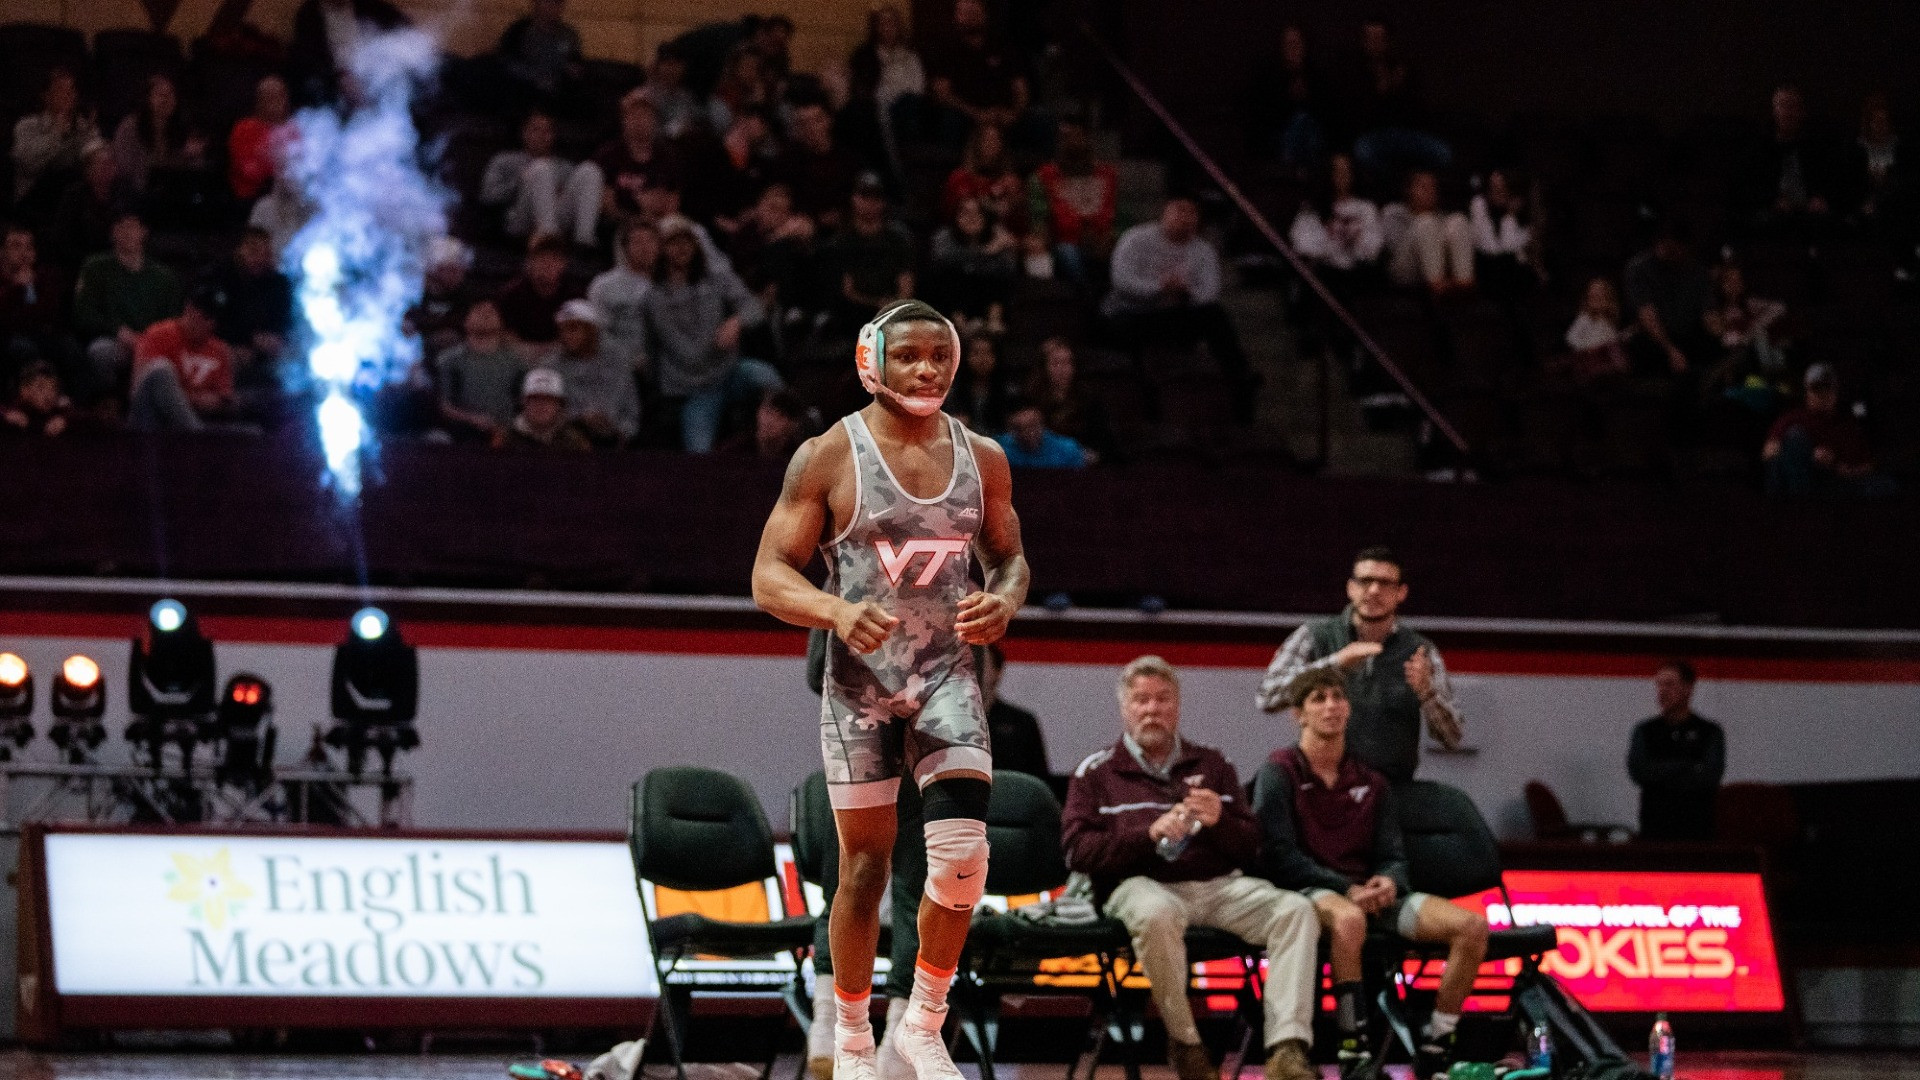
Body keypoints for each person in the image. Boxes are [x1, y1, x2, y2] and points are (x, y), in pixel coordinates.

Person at [751, 298, 1029, 1080]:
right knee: (866, 870)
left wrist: (1005, 598)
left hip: (945, 677)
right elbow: (768, 576)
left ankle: (925, 1023)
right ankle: (849, 1031)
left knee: (963, 858)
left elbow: (1011, 556)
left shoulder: (986, 457)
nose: (927, 368)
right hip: (862, 688)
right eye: (908, 355)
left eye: (940, 355)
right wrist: (836, 609)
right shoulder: (827, 455)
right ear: (871, 362)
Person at [1062, 655, 1319, 1080]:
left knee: (1296, 911)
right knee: (1156, 912)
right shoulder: (1097, 772)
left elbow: (1252, 847)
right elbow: (1077, 853)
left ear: (1177, 706)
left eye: (1163, 700)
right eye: (1141, 700)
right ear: (1124, 708)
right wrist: (1147, 835)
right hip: (1137, 886)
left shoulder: (1213, 765)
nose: (1152, 710)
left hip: (1215, 886)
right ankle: (1186, 1042)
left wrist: (1221, 822)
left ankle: (1286, 1050)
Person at [1254, 667, 1488, 1079]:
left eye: (1338, 697)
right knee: (1348, 919)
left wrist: (1389, 881)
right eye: (1318, 698)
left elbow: (1392, 854)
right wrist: (1346, 888)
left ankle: (1437, 1043)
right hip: (1310, 889)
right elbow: (1277, 856)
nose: (1331, 706)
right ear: (1299, 715)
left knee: (1471, 927)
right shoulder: (1279, 771)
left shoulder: (1372, 780)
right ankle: (1353, 1050)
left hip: (1371, 893)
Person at [1257, 546, 1464, 784]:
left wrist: (1427, 694)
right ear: (1351, 588)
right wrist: (1336, 663)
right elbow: (1267, 697)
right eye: (1365, 581)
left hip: (1390, 789)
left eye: (1385, 583)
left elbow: (1453, 738)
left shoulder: (1420, 651)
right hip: (1322, 787)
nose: (1374, 590)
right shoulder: (1315, 635)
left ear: (1401, 593)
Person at [1102, 195, 1256, 409]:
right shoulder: (1136, 239)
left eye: (1191, 212)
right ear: (1165, 211)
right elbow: (1121, 280)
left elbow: (1209, 293)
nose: (1185, 217)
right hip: (1132, 312)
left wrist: (1186, 291)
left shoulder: (1204, 251)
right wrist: (1159, 287)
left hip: (1174, 313)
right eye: (1180, 210)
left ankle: (1240, 378)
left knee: (1215, 315)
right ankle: (1140, 395)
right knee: (1121, 328)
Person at [642, 221, 778, 452]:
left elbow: (754, 308)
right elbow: (688, 356)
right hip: (693, 386)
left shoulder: (716, 279)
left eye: (686, 242)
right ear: (662, 250)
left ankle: (790, 433)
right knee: (699, 450)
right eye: (673, 243)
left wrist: (737, 322)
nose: (681, 249)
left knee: (765, 375)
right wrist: (719, 343)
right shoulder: (654, 298)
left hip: (730, 371)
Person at [73, 213, 184, 401]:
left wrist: (149, 340)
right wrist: (118, 331)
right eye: (120, 227)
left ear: (143, 232)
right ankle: (106, 403)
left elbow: (173, 319)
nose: (126, 233)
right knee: (100, 352)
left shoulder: (164, 277)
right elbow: (83, 313)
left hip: (154, 341)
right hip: (115, 340)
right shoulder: (95, 268)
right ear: (113, 233)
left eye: (132, 227)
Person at [1626, 660, 1727, 841]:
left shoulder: (1710, 732)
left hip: (1697, 830)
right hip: (1654, 828)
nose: (1662, 691)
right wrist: (1686, 766)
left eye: (1670, 684)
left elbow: (1710, 776)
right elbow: (1639, 772)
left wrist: (1660, 772)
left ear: (1688, 688)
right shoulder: (1645, 730)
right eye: (1660, 684)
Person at [1347, 18, 1450, 187]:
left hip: (1408, 134)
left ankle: (1414, 184)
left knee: (1443, 153)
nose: (1375, 44)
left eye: (1379, 39)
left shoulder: (1404, 69)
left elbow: (1421, 113)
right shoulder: (1355, 73)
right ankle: (1396, 185)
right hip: (1376, 136)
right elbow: (1357, 118)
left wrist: (1399, 89)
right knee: (1362, 151)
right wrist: (1379, 92)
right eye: (1370, 39)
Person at [482, 110, 602, 250]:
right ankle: (547, 241)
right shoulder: (504, 160)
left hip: (558, 218)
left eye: (547, 131)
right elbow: (488, 196)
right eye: (536, 130)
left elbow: (576, 196)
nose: (541, 136)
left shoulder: (565, 167)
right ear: (524, 133)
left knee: (590, 169)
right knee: (541, 167)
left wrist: (558, 193)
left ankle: (584, 239)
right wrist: (521, 182)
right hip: (520, 218)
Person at [1763, 363, 1888, 497]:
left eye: (1828, 389)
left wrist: (1835, 464)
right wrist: (1807, 453)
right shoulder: (1792, 419)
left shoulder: (1847, 425)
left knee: (1884, 485)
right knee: (1795, 437)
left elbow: (1867, 465)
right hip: (1800, 480)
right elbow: (1768, 453)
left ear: (1836, 392)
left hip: (1834, 483)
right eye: (1817, 389)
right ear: (1807, 392)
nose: (1823, 395)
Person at [109, 73, 216, 227]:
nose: (167, 99)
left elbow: (190, 173)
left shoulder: (182, 129)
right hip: (139, 192)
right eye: (161, 95)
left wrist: (193, 157)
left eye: (171, 94)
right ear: (148, 98)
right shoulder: (129, 127)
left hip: (172, 194)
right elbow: (126, 168)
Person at [924, 0, 1032, 149]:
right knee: (951, 120)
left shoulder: (1003, 46)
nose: (971, 16)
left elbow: (1021, 87)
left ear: (985, 14)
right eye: (965, 12)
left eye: (975, 11)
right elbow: (943, 94)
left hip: (1005, 115)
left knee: (1042, 120)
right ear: (956, 16)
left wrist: (1014, 113)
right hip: (966, 116)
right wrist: (978, 114)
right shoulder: (946, 50)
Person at [1029, 111, 1119, 285]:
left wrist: (1112, 236)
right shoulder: (1044, 176)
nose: (1071, 142)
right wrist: (1042, 238)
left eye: (1077, 136)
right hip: (1065, 243)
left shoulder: (1108, 175)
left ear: (1088, 139)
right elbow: (1039, 220)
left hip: (1102, 240)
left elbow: (1121, 215)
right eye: (1065, 137)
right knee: (1068, 254)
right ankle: (1087, 297)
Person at [128, 287, 237, 432]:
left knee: (252, 432)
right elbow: (139, 389)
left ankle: (196, 437)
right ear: (189, 309)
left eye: (215, 319)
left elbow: (223, 400)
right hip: (153, 419)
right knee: (161, 370)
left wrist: (188, 398)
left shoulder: (220, 350)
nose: (210, 323)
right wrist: (194, 399)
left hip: (200, 419)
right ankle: (197, 439)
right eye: (206, 316)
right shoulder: (159, 334)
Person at [819, 174, 917, 333]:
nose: (870, 203)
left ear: (883, 202)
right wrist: (876, 303)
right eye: (865, 196)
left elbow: (906, 287)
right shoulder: (842, 241)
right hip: (853, 315)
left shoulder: (898, 240)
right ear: (854, 199)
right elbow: (847, 290)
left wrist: (889, 305)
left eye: (876, 198)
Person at [842, 5, 925, 183]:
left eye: (892, 23)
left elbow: (918, 86)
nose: (887, 27)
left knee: (909, 105)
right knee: (877, 117)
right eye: (883, 23)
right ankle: (894, 176)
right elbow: (862, 85)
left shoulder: (910, 55)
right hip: (877, 105)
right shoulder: (865, 54)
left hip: (906, 105)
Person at [1623, 220, 1714, 377]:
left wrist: (1721, 330)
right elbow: (1647, 316)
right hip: (1654, 341)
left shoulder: (1698, 272)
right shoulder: (1639, 269)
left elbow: (1708, 313)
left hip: (1690, 337)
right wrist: (1670, 350)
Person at [588, 90, 681, 239]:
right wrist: (639, 211)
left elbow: (672, 201)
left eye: (645, 115)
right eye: (633, 115)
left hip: (658, 225)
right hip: (618, 226)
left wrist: (654, 216)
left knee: (681, 229)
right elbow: (606, 206)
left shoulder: (666, 156)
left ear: (654, 120)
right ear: (624, 120)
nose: (639, 120)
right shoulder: (608, 155)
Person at [549, 299, 641, 447]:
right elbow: (546, 413)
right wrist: (579, 418)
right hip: (568, 443)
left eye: (573, 329)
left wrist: (620, 433)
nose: (567, 335)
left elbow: (631, 412)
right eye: (563, 330)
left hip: (614, 443)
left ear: (591, 330)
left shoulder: (617, 362)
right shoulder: (551, 366)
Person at [11, 68, 98, 219]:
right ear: (46, 96)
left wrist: (90, 143)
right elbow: (28, 165)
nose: (68, 95)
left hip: (74, 198)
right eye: (60, 90)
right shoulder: (27, 125)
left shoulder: (83, 126)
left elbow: (91, 161)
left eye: (71, 89)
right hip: (35, 198)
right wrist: (56, 135)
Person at [288, 0, 411, 106]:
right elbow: (308, 58)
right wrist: (339, 77)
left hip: (374, 76)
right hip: (333, 83)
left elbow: (404, 28)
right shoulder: (309, 15)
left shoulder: (368, 6)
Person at [437, 299, 527, 441]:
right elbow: (445, 406)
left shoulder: (517, 362)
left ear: (501, 322)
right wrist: (473, 419)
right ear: (466, 321)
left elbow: (523, 402)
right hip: (462, 433)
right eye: (479, 310)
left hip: (507, 434)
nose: (486, 314)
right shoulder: (449, 360)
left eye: (491, 311)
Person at [1248, 24, 1333, 175]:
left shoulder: (1316, 75)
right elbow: (1265, 116)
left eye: (1297, 44)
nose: (1293, 49)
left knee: (1307, 123)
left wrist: (1307, 97)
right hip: (1280, 137)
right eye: (1289, 44)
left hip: (1313, 137)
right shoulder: (1270, 77)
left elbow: (1327, 113)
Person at [209, 227, 294, 373]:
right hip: (229, 344)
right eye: (253, 251)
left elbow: (284, 318)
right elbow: (216, 321)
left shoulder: (278, 283)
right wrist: (251, 338)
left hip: (270, 346)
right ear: (240, 250)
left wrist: (275, 338)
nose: (260, 259)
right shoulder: (220, 277)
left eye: (265, 253)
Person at [1288, 153, 1383, 285]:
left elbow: (1373, 249)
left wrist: (1354, 242)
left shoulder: (1367, 208)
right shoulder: (1312, 209)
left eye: (1346, 170)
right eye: (1337, 170)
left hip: (1357, 273)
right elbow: (1302, 245)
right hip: (1325, 273)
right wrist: (1330, 248)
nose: (1342, 175)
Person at [927, 197, 1017, 335]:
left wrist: (978, 261)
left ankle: (994, 323)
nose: (972, 218)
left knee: (997, 277)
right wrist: (986, 252)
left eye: (977, 213)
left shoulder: (996, 236)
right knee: (949, 276)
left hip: (984, 294)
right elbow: (943, 260)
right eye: (966, 213)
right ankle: (962, 326)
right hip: (955, 297)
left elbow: (1007, 267)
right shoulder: (944, 236)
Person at [0, 224, 74, 385]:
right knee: (23, 349)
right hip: (8, 337)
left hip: (40, 333)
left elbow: (48, 314)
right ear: (3, 252)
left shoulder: (46, 277)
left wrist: (29, 286)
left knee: (69, 348)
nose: (24, 253)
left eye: (28, 247)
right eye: (16, 246)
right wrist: (16, 288)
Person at [1382, 170, 1474, 293]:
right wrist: (1421, 230)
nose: (1429, 191)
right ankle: (1437, 290)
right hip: (1405, 268)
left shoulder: (1441, 216)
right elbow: (1393, 248)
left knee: (1458, 220)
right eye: (1423, 187)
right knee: (1426, 222)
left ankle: (1464, 286)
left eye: (1433, 187)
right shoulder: (1394, 212)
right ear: (1409, 190)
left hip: (1441, 267)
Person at [588, 222, 659, 375]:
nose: (645, 247)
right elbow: (599, 334)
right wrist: (628, 360)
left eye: (650, 241)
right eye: (637, 241)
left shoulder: (672, 283)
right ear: (625, 247)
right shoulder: (604, 285)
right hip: (621, 367)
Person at [778, 101, 862, 230]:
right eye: (803, 124)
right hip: (809, 228)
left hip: (850, 222)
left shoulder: (848, 158)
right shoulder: (789, 163)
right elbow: (788, 200)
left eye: (816, 120)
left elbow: (859, 192)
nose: (811, 128)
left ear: (828, 121)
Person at [496, 234, 585, 351]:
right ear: (529, 263)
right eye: (541, 258)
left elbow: (578, 334)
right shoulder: (510, 294)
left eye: (554, 258)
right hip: (519, 356)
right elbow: (505, 333)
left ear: (563, 264)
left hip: (561, 356)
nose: (547, 264)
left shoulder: (575, 296)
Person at [494, 0, 585, 108]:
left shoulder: (568, 34)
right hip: (525, 91)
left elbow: (576, 64)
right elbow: (505, 63)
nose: (553, 7)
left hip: (558, 94)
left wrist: (572, 70)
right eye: (548, 2)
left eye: (558, 3)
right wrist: (536, 77)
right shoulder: (518, 31)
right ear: (535, 4)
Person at [978, 644, 1048, 782]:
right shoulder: (946, 722)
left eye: (980, 664)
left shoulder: (1022, 722)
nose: (973, 671)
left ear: (998, 671)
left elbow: (1038, 781)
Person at [1468, 168, 1539, 297]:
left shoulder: (1524, 221)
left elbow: (1509, 248)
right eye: (1492, 188)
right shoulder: (1479, 204)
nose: (1494, 193)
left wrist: (1509, 216)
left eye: (1500, 189)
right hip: (1487, 267)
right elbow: (1489, 248)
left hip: (1509, 275)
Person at [228, 75, 292, 202]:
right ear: (259, 101)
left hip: (288, 198)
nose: (275, 103)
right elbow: (249, 171)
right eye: (269, 98)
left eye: (279, 96)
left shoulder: (293, 130)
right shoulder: (244, 129)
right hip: (252, 199)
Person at [502, 366, 591, 451]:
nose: (541, 406)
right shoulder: (505, 440)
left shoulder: (575, 443)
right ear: (523, 402)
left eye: (548, 400)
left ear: (559, 405)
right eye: (535, 399)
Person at [949, 332, 1013, 435]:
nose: (982, 359)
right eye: (976, 353)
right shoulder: (953, 392)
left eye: (988, 353)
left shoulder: (1009, 391)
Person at [998, 402, 1091, 469]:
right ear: (1010, 430)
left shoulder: (1068, 450)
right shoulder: (998, 452)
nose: (1028, 433)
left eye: (1033, 425)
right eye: (1019, 428)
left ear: (1042, 423)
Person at [2, 360, 73, 437]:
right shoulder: (14, 405)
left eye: (53, 388)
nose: (49, 395)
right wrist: (6, 415)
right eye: (41, 388)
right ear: (25, 390)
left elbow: (80, 413)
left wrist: (65, 419)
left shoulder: (61, 407)